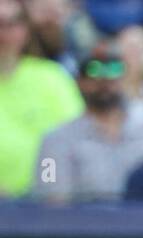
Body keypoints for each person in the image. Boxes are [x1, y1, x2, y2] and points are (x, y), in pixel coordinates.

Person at [30, 42, 143, 202]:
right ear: (79, 81)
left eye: (114, 69)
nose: (105, 79)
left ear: (126, 77)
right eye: (93, 70)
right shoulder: (55, 142)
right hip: (84, 224)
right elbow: (52, 205)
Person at [0, 0, 84, 197]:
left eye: (11, 24)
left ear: (26, 29)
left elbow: (69, 140)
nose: (3, 34)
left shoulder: (52, 77)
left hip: (43, 203)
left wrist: (50, 185)